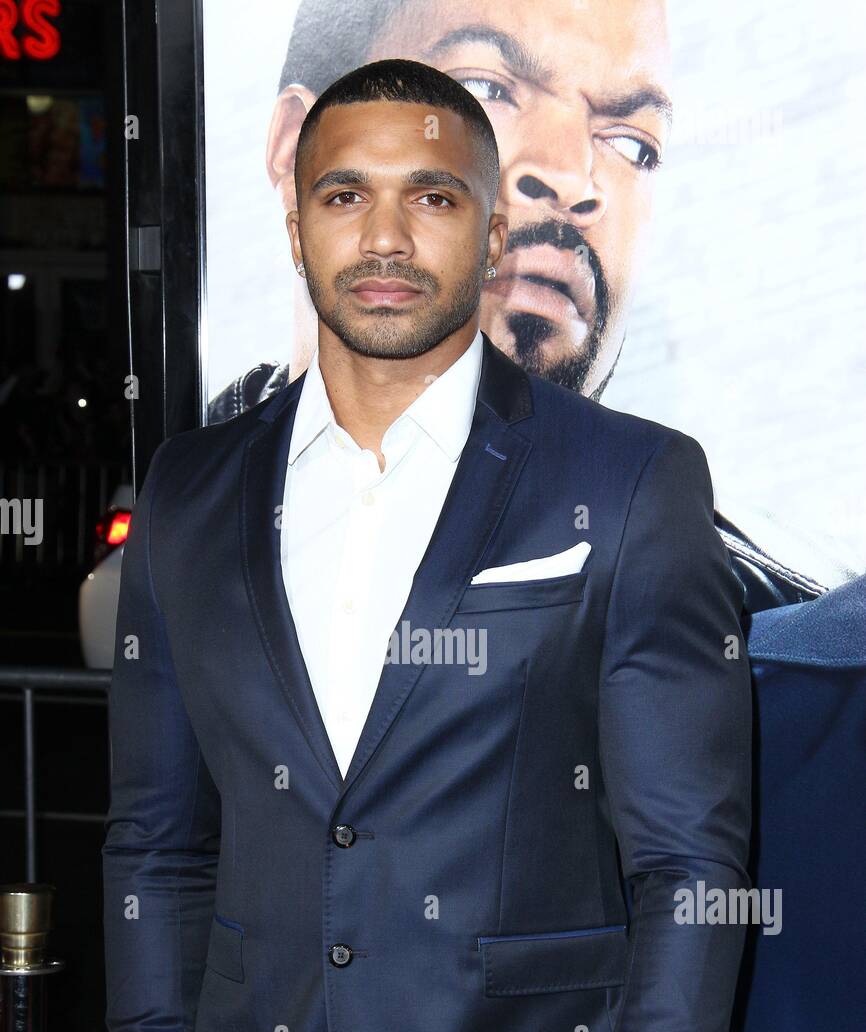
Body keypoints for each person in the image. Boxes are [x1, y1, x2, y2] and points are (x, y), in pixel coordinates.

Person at [104, 58, 752, 1032]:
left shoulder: (625, 483)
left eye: (435, 197)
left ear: (494, 222)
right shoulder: (190, 490)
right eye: (345, 195)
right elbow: (155, 842)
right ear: (293, 223)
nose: (387, 237)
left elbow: (688, 868)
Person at [207, 0, 826, 612]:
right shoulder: (183, 513)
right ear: (296, 151)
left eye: (633, 144)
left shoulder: (762, 633)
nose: (571, 177)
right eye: (485, 87)